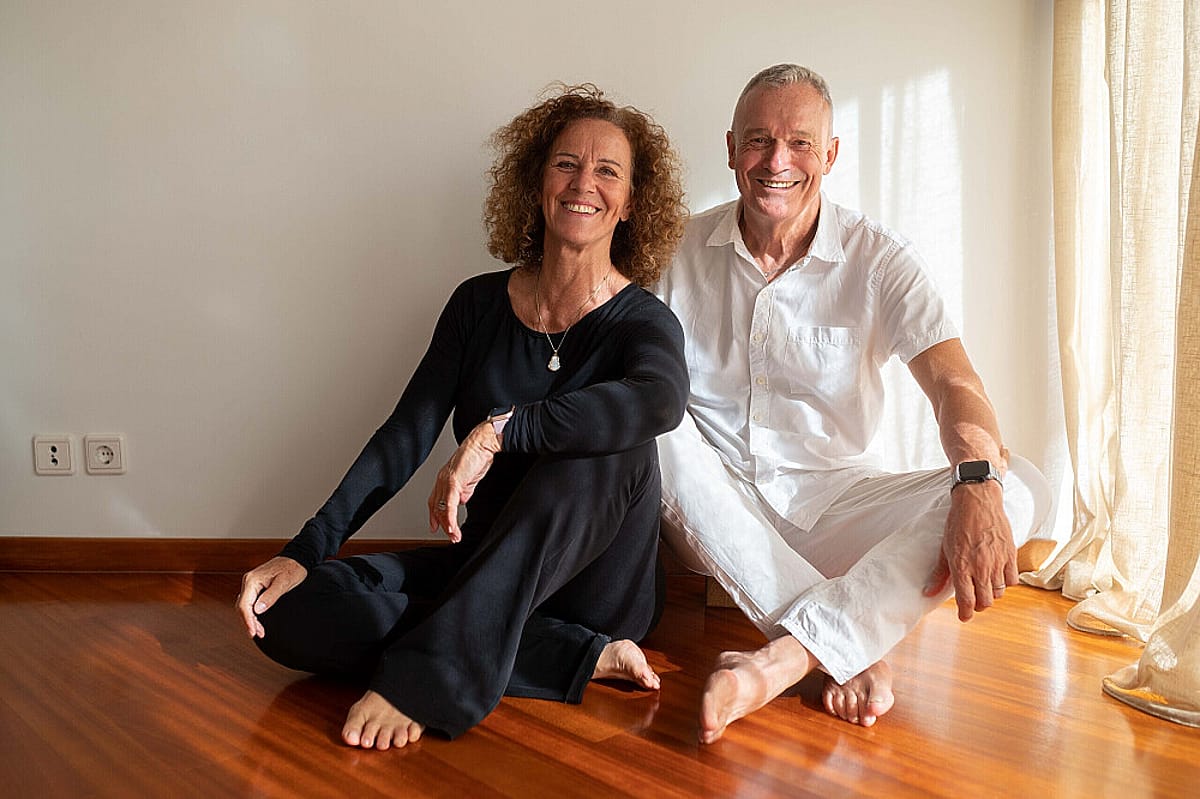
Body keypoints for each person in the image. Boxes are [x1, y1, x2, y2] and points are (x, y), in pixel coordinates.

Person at [236, 84, 689, 750]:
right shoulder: (478, 306)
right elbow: (404, 436)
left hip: (596, 589)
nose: (582, 183)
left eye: (606, 171)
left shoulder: (644, 322)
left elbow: (660, 400)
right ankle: (572, 655)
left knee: (611, 439)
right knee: (286, 611)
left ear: (630, 203)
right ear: (537, 181)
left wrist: (501, 430)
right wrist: (307, 549)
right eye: (566, 163)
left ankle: (436, 675)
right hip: (485, 568)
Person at [654, 64, 1050, 743]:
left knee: (1024, 482)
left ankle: (793, 655)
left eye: (800, 143)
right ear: (729, 149)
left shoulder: (881, 258)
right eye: (758, 140)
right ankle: (851, 642)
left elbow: (956, 382)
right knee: (649, 425)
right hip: (714, 506)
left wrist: (977, 483)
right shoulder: (674, 251)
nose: (777, 160)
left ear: (830, 155)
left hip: (838, 507)